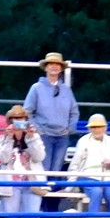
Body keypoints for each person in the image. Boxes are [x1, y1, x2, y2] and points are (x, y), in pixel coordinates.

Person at [24, 54, 78, 203]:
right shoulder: (36, 88)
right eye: (51, 64)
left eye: (57, 64)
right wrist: (38, 129)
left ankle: (51, 205)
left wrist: (70, 128)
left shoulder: (66, 90)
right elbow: (27, 111)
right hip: (44, 135)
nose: (54, 67)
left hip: (62, 136)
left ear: (61, 68)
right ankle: (41, 205)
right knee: (43, 169)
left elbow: (74, 111)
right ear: (46, 68)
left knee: (56, 170)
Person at [66, 114, 110, 213]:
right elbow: (75, 165)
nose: (96, 130)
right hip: (88, 176)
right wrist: (70, 185)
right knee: (96, 191)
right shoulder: (83, 141)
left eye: (99, 126)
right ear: (89, 128)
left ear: (105, 128)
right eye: (93, 127)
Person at [0, 107, 46, 217]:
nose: (19, 121)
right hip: (10, 184)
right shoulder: (2, 138)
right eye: (15, 118)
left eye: (21, 118)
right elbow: (4, 159)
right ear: (10, 120)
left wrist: (31, 138)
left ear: (26, 120)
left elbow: (39, 157)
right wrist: (9, 139)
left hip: (32, 183)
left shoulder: (34, 136)